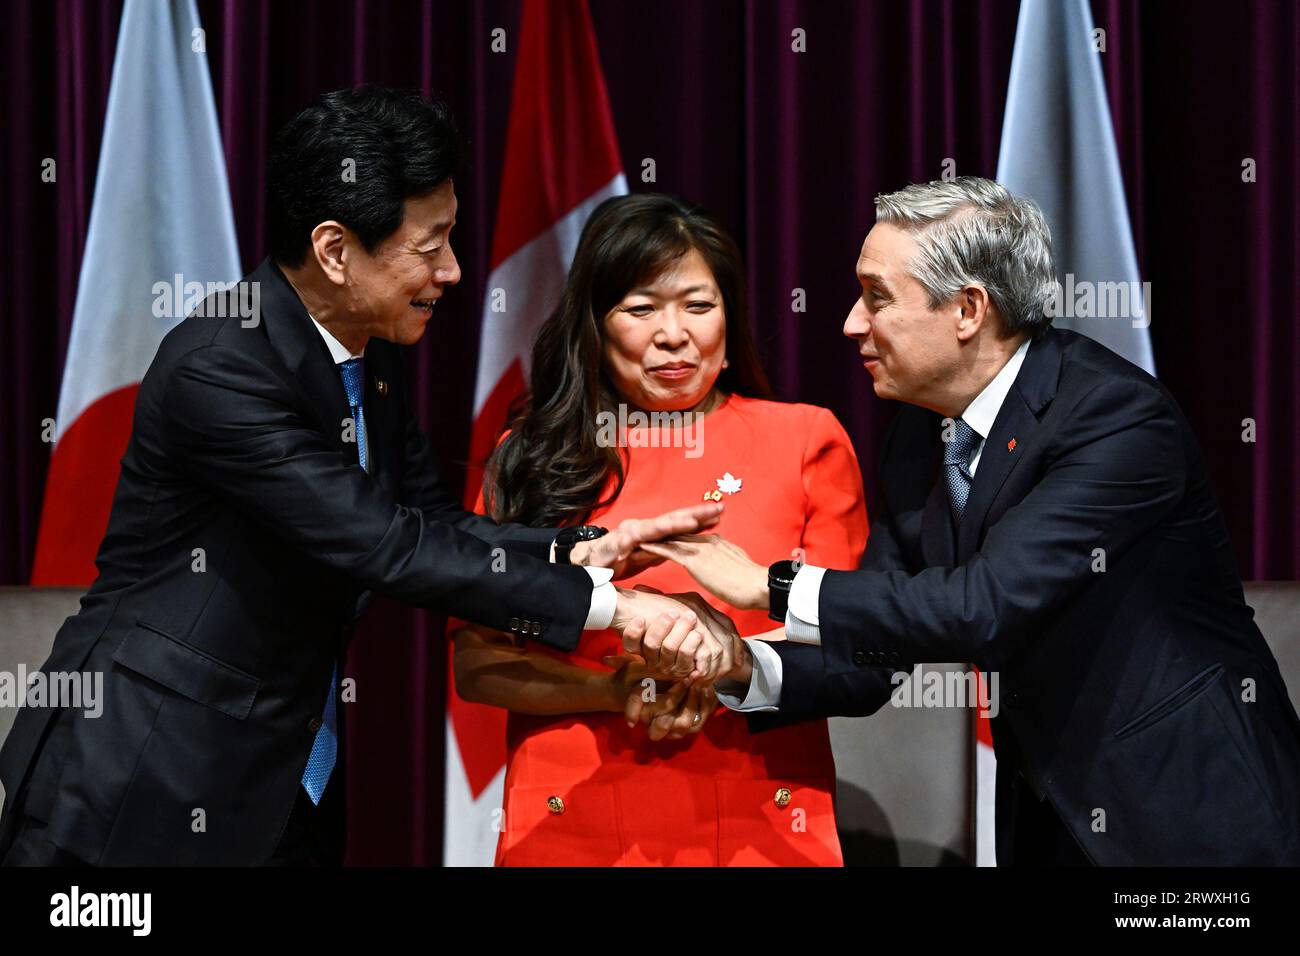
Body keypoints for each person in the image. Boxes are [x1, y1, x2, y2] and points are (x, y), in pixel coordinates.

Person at [0, 87, 733, 867]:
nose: (451, 271)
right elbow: (383, 544)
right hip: (142, 779)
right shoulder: (222, 367)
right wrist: (614, 612)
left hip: (281, 778)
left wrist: (577, 554)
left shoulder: (364, 355)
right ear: (335, 249)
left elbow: (429, 522)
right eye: (431, 245)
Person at [643, 176, 1300, 866]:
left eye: (877, 297)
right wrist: (738, 662)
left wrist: (770, 585)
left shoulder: (1114, 417)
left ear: (968, 309)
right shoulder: (917, 436)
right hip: (1049, 819)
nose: (850, 323)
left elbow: (982, 606)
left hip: (1193, 815)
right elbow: (874, 650)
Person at [452, 193, 870, 866]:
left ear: (729, 321)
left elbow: (849, 652)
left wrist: (725, 667)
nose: (673, 333)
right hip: (571, 823)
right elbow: (476, 667)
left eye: (698, 307)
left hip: (762, 820)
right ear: (595, 325)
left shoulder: (805, 439)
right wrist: (614, 691)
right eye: (641, 309)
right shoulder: (528, 457)